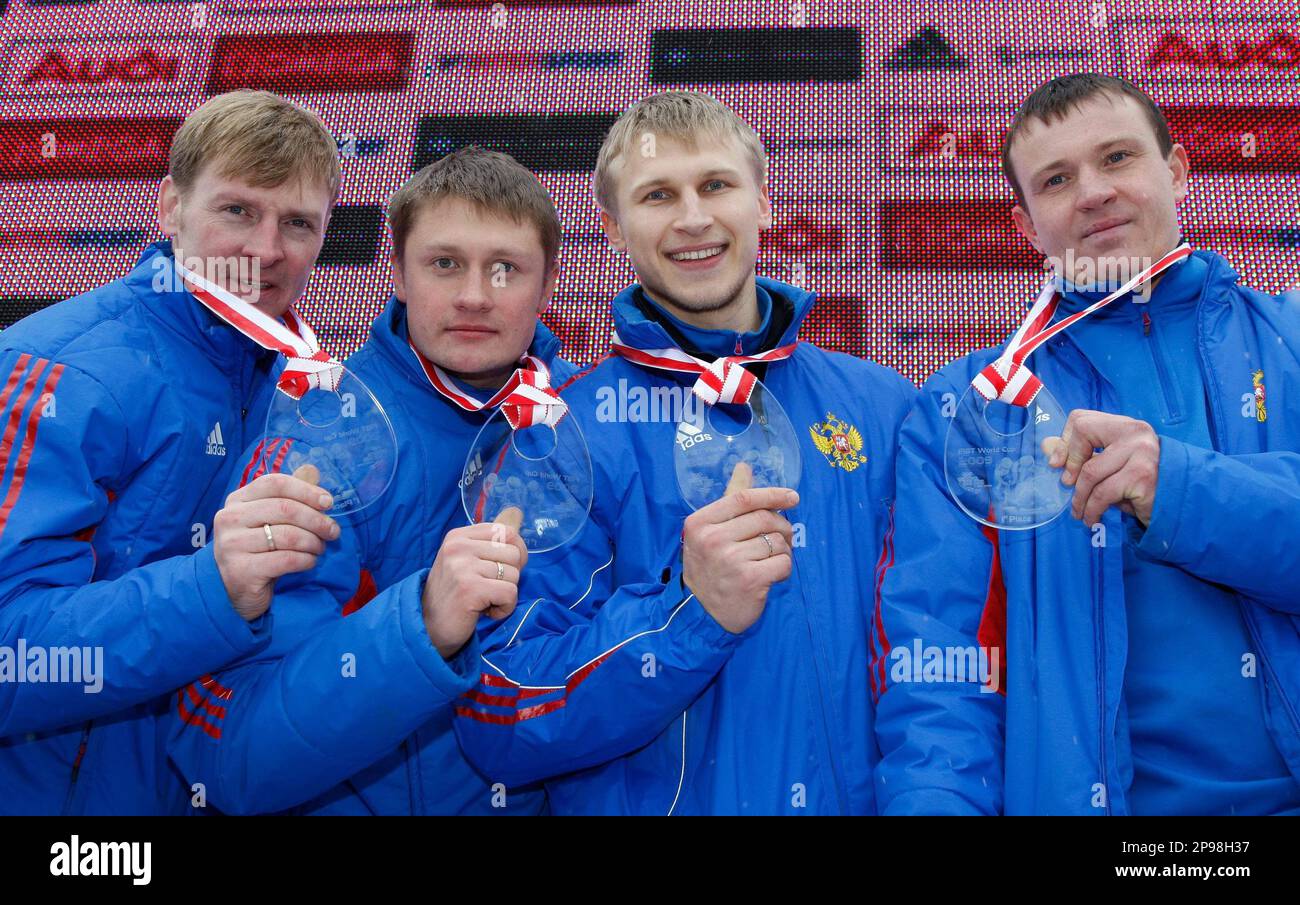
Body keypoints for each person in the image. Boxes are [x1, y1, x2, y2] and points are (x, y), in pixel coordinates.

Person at [454, 91, 915, 815]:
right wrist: (688, 614)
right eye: (658, 195)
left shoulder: (882, 407)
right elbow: (495, 707)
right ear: (612, 228)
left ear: (763, 203)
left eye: (716, 185)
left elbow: (941, 667)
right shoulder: (557, 437)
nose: (694, 217)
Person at [873, 73, 1300, 815]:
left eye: (1118, 159)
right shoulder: (972, 408)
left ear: (1176, 171)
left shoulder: (1291, 337)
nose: (1094, 192)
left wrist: (1185, 491)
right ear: (1025, 225)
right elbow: (938, 668)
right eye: (1058, 179)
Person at [168, 147, 571, 815]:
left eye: (504, 269)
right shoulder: (318, 443)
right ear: (399, 274)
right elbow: (226, 754)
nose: (473, 294)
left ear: (548, 283)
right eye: (444, 263)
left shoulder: (573, 426)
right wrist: (422, 625)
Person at [0, 90, 343, 814]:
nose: (266, 250)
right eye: (238, 210)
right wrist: (211, 589)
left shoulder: (306, 388)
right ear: (169, 207)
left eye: (298, 223)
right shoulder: (56, 369)